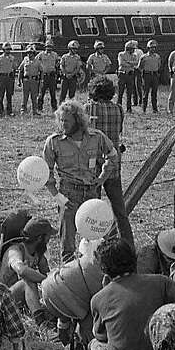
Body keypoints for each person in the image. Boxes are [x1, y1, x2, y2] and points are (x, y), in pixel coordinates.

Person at [43, 99, 119, 260]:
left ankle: (94, 267)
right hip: (68, 194)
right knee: (67, 242)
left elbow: (112, 156)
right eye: (61, 120)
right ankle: (68, 272)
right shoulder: (54, 142)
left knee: (96, 237)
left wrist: (102, 178)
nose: (63, 124)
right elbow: (45, 171)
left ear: (78, 120)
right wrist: (57, 196)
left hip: (91, 192)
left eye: (67, 121)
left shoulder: (96, 137)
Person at [83, 78, 132, 243]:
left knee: (92, 210)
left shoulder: (88, 108)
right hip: (113, 164)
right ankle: (127, 245)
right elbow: (119, 131)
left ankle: (92, 245)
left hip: (92, 166)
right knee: (120, 210)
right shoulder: (119, 109)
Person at [0, 217, 55, 323]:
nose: (49, 240)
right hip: (4, 300)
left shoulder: (38, 253)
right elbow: (22, 271)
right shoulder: (15, 250)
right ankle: (41, 322)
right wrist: (46, 280)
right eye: (48, 236)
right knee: (27, 280)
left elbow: (47, 273)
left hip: (19, 302)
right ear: (40, 238)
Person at [116, 40, 140, 112]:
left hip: (130, 74)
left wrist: (128, 62)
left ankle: (129, 108)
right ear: (128, 48)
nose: (133, 50)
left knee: (129, 92)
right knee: (120, 92)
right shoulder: (121, 54)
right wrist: (130, 64)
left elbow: (136, 63)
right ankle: (119, 108)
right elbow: (121, 63)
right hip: (122, 74)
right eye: (132, 49)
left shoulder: (134, 55)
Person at [0, 43, 18, 117]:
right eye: (7, 49)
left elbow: (14, 67)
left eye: (9, 49)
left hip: (9, 77)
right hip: (2, 77)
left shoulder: (12, 58)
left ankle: (9, 111)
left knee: (9, 95)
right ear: (3, 50)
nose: (8, 51)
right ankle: (0, 111)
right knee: (0, 95)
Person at [139, 40, 162, 112]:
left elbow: (159, 65)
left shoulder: (157, 57)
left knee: (154, 93)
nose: (153, 49)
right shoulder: (144, 57)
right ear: (148, 48)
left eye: (154, 47)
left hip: (155, 75)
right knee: (146, 92)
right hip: (147, 75)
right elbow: (140, 67)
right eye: (151, 47)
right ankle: (144, 109)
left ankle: (155, 109)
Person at [36, 41, 60, 112]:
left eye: (50, 47)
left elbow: (58, 63)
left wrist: (57, 72)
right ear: (45, 47)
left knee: (53, 93)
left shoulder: (55, 55)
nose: (49, 48)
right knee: (41, 93)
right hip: (44, 76)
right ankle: (39, 108)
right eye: (47, 47)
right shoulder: (41, 54)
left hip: (52, 76)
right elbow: (35, 61)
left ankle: (54, 108)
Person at [19, 46, 42, 116]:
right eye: (28, 53)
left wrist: (41, 80)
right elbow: (20, 70)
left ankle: (34, 111)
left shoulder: (37, 61)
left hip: (34, 81)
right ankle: (23, 110)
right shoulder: (25, 60)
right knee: (25, 96)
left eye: (31, 53)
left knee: (34, 96)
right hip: (26, 80)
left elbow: (41, 71)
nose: (29, 54)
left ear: (34, 53)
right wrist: (19, 81)